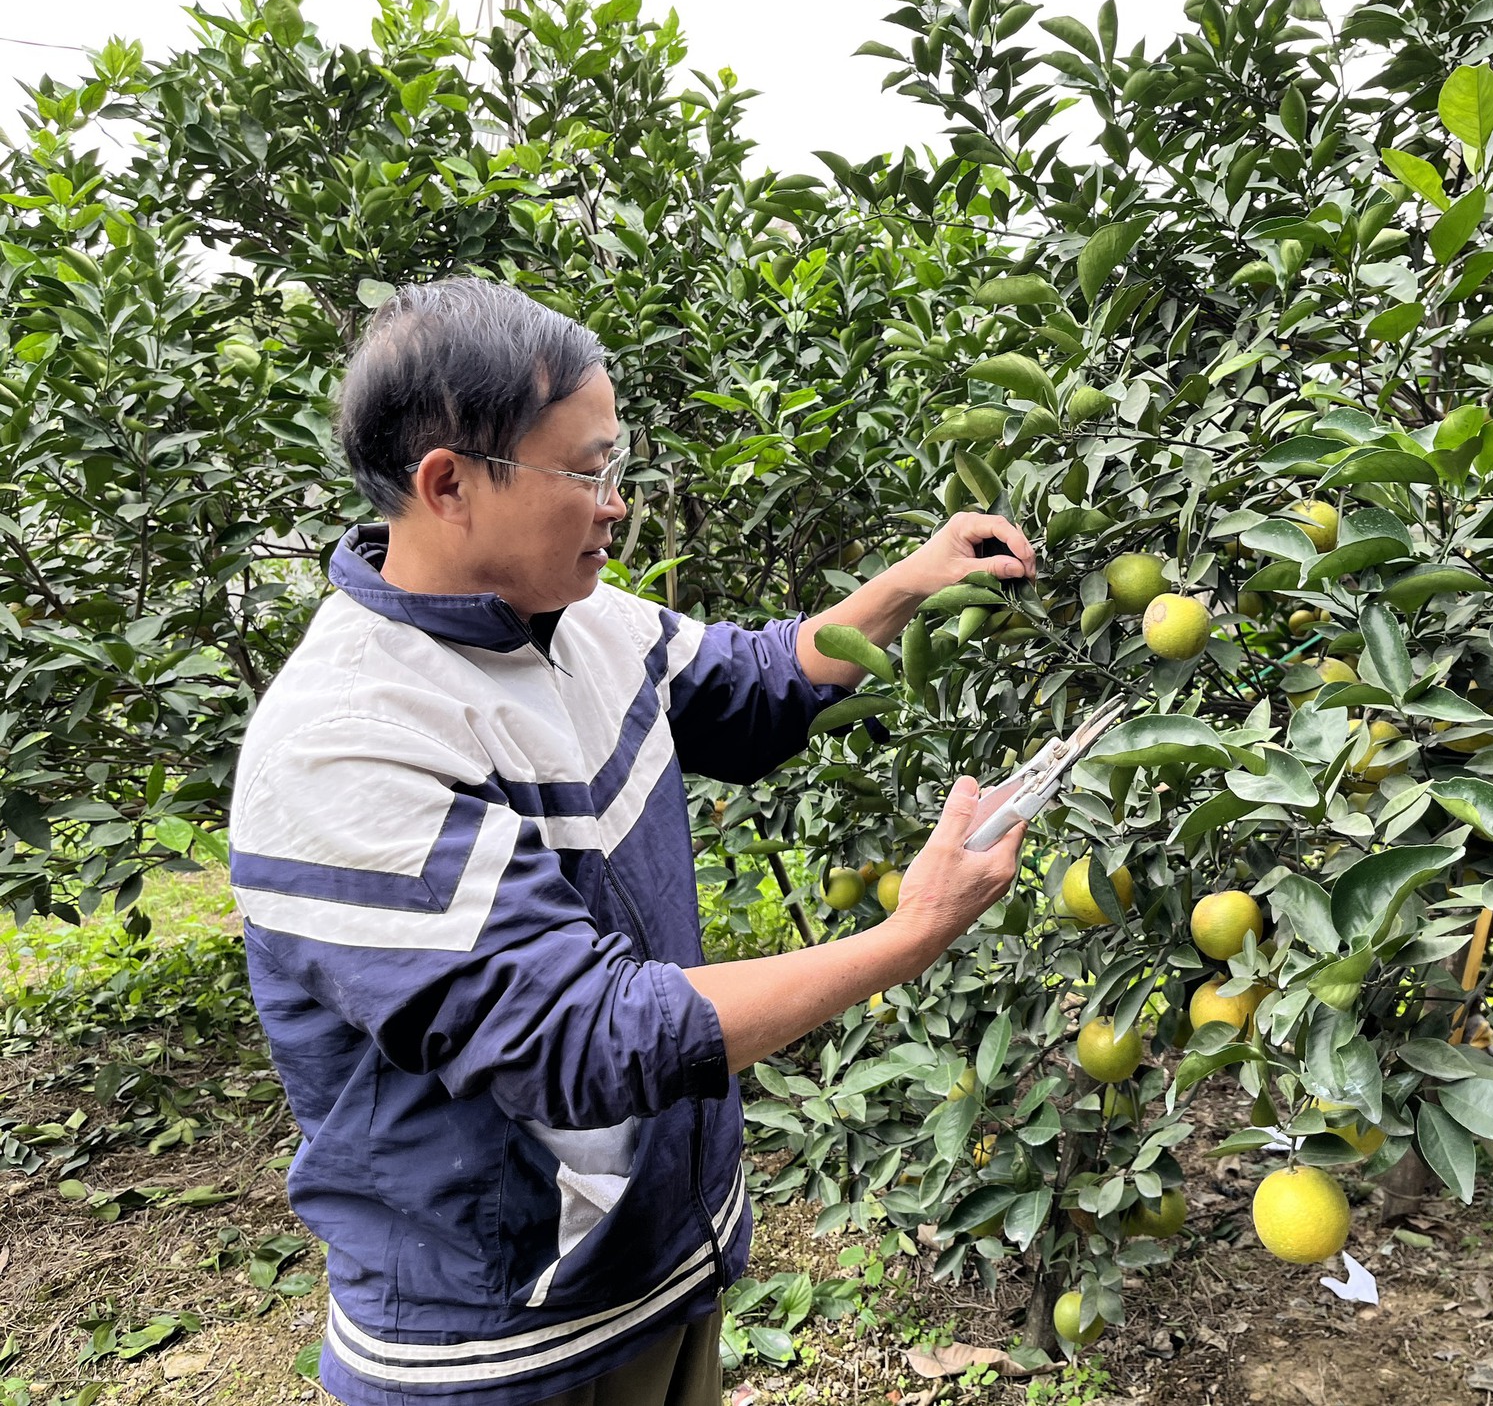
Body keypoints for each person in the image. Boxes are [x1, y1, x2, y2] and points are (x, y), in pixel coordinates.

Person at [228, 276, 1038, 1406]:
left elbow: (752, 689)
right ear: (448, 484)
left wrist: (908, 584)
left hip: (658, 1274)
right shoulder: (345, 748)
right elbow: (585, 1037)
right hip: (500, 1346)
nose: (615, 505)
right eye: (586, 471)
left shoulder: (584, 618)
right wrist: (908, 936)